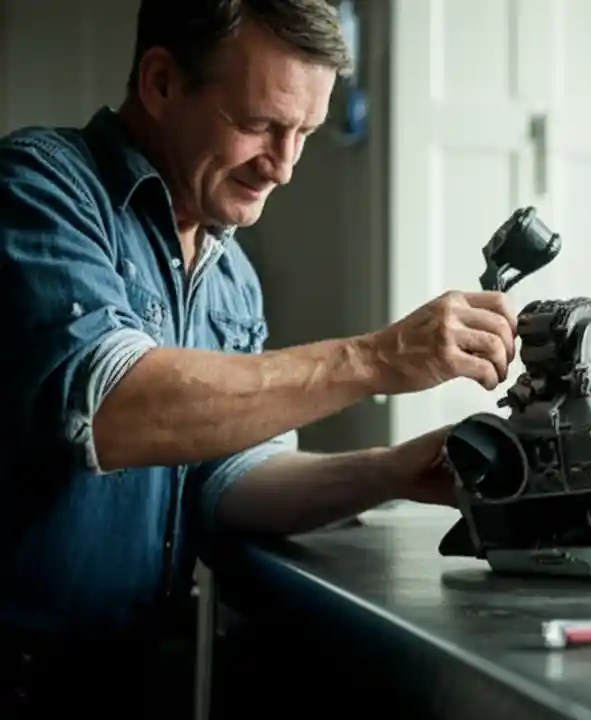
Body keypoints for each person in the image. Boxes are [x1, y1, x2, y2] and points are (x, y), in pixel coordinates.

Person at [0, 1, 518, 716]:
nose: (284, 166)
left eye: (304, 132)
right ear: (160, 82)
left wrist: (392, 470)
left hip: (134, 677)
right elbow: (115, 409)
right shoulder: (38, 190)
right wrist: (378, 358)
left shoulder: (232, 274)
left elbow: (228, 483)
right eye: (259, 125)